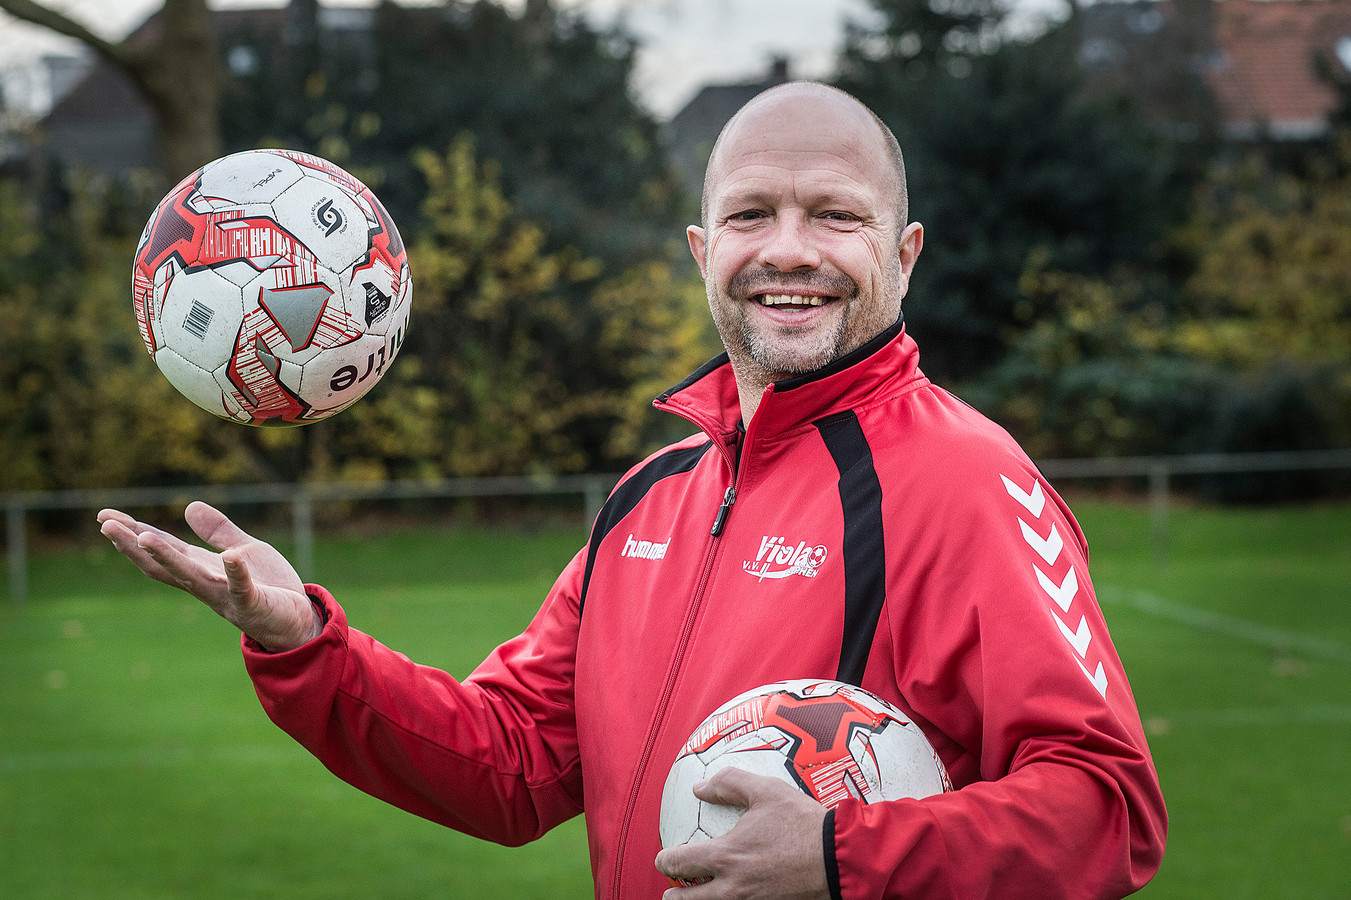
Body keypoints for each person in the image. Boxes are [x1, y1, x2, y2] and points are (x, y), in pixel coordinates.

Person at [98, 81, 1167, 899]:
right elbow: (512, 763)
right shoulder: (653, 496)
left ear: (905, 251)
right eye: (750, 215)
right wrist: (304, 648)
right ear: (704, 250)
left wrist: (843, 855)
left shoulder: (964, 480)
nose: (786, 251)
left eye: (834, 216)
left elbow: (1107, 806)